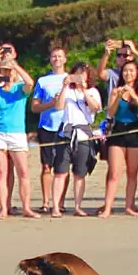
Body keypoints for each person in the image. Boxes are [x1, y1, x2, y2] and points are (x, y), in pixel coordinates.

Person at [0, 43, 37, 220]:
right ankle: (3, 209)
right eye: (5, 71)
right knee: (1, 172)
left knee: (23, 171)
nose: (8, 74)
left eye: (10, 71)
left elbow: (30, 83)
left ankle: (26, 207)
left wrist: (14, 64)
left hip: (16, 133)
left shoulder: (19, 89)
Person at [99, 58, 138, 218]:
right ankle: (107, 208)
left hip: (135, 132)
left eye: (132, 71)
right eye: (126, 70)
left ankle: (129, 206)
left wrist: (134, 96)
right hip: (118, 132)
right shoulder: (115, 90)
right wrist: (119, 96)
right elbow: (111, 112)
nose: (128, 73)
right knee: (114, 173)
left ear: (136, 74)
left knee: (132, 173)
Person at [30, 46, 71, 215]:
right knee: (46, 166)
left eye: (60, 56)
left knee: (63, 166)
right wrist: (51, 104)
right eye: (54, 56)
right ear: (50, 59)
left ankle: (60, 201)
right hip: (47, 126)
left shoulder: (71, 78)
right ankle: (46, 201)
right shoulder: (43, 81)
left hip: (66, 126)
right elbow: (35, 107)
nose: (57, 59)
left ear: (65, 59)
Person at [59, 63, 103, 216]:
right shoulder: (68, 91)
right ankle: (57, 206)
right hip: (67, 132)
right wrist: (65, 86)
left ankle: (77, 206)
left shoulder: (92, 91)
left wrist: (84, 90)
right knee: (61, 171)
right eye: (77, 73)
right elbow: (58, 106)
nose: (80, 76)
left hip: (84, 132)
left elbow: (96, 108)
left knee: (80, 172)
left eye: (83, 74)